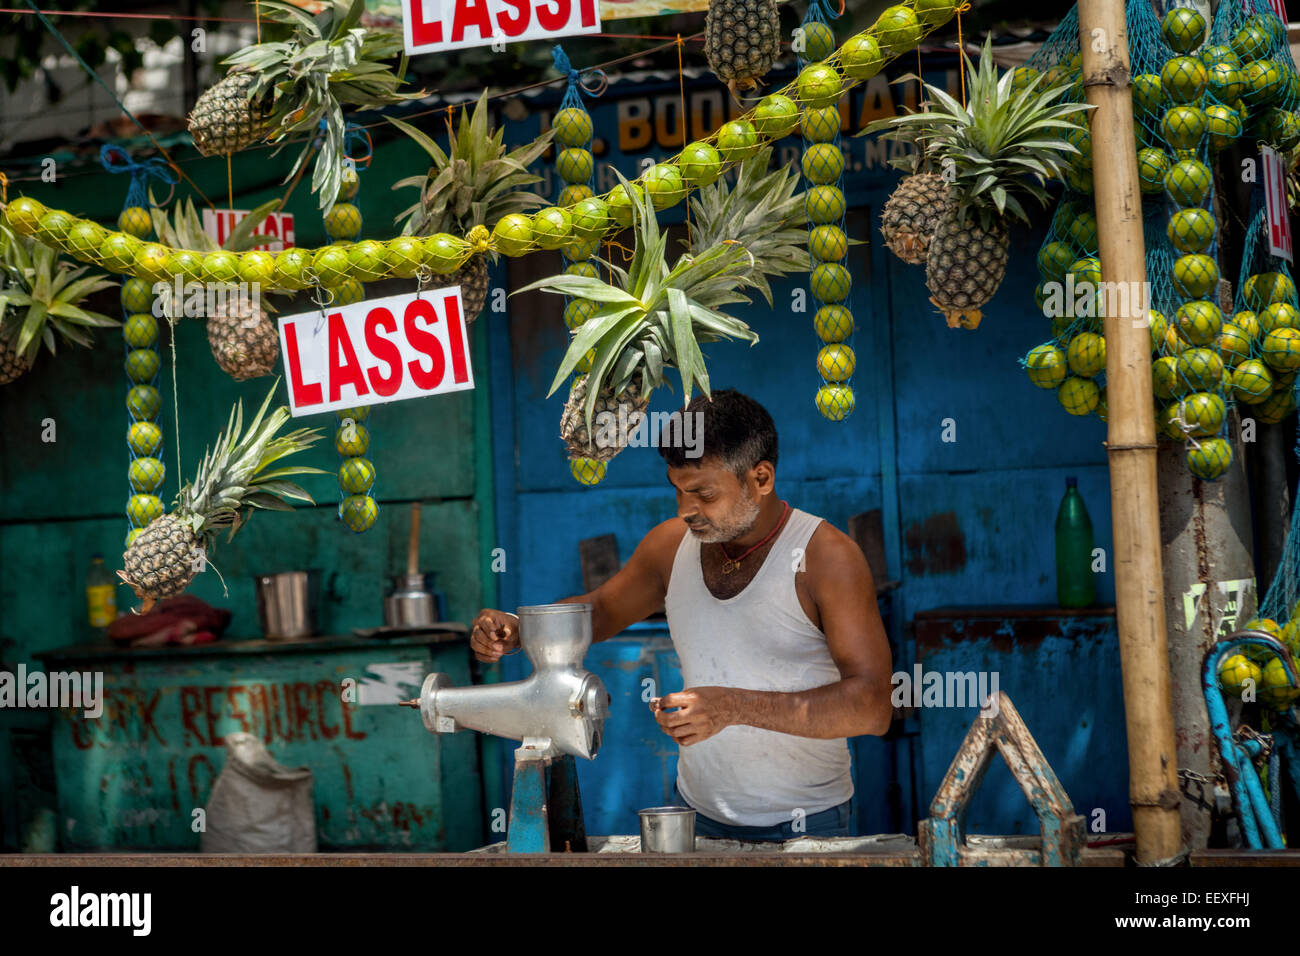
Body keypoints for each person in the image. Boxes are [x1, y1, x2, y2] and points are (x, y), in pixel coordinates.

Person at [472, 389, 894, 841]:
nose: (685, 509)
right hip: (696, 813)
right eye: (676, 489)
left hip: (810, 823)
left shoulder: (826, 557)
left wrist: (732, 706)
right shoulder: (669, 546)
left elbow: (872, 708)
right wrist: (521, 629)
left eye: (703, 493)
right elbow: (602, 611)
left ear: (762, 478)